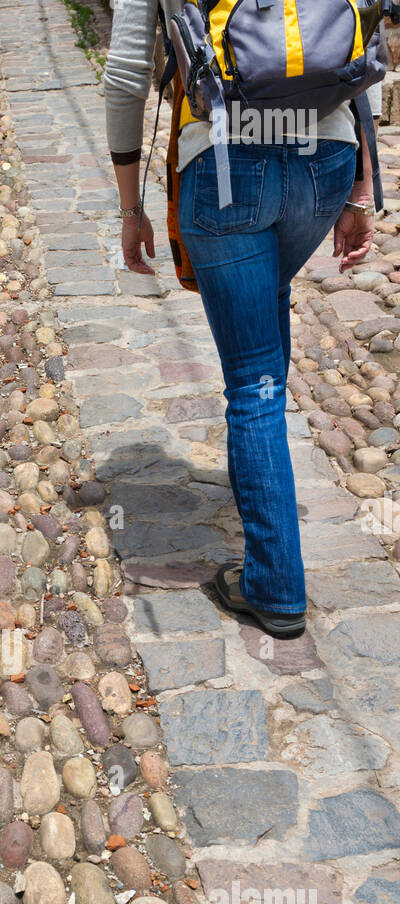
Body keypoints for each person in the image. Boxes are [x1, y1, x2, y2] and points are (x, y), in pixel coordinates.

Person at [104, 0, 380, 639]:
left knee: (252, 387)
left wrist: (129, 209)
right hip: (325, 160)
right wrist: (364, 190)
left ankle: (275, 587)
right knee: (265, 319)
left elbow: (123, 78)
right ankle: (266, 492)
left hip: (227, 167)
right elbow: (364, 56)